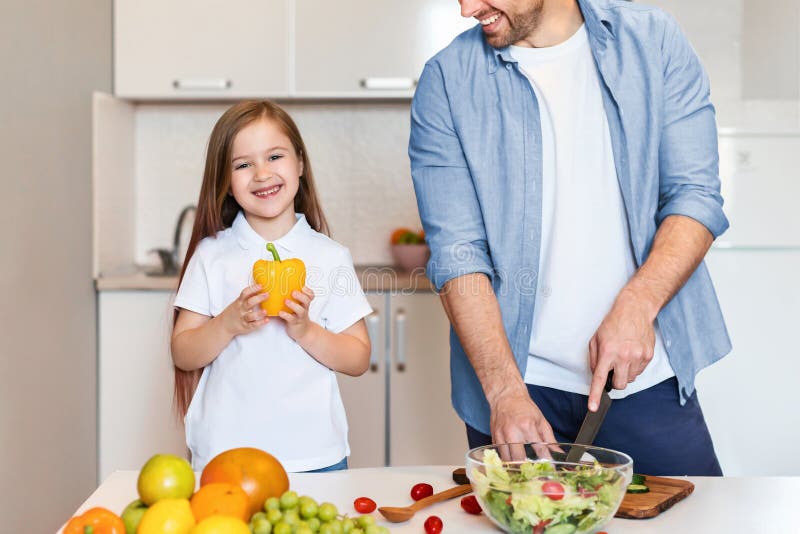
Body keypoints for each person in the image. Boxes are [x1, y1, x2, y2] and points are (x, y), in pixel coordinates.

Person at [409, 0, 730, 476]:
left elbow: (694, 195)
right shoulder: (448, 80)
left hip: (643, 378)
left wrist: (638, 305)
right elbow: (458, 254)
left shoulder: (651, 41)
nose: (466, 8)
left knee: (697, 518)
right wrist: (503, 391)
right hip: (518, 391)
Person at [171, 100, 372, 473]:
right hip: (225, 455)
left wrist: (305, 330)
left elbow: (358, 358)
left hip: (313, 456)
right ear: (226, 183)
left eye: (274, 157)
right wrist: (228, 323)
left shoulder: (330, 257)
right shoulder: (212, 255)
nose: (261, 173)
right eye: (243, 164)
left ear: (299, 164)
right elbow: (183, 352)